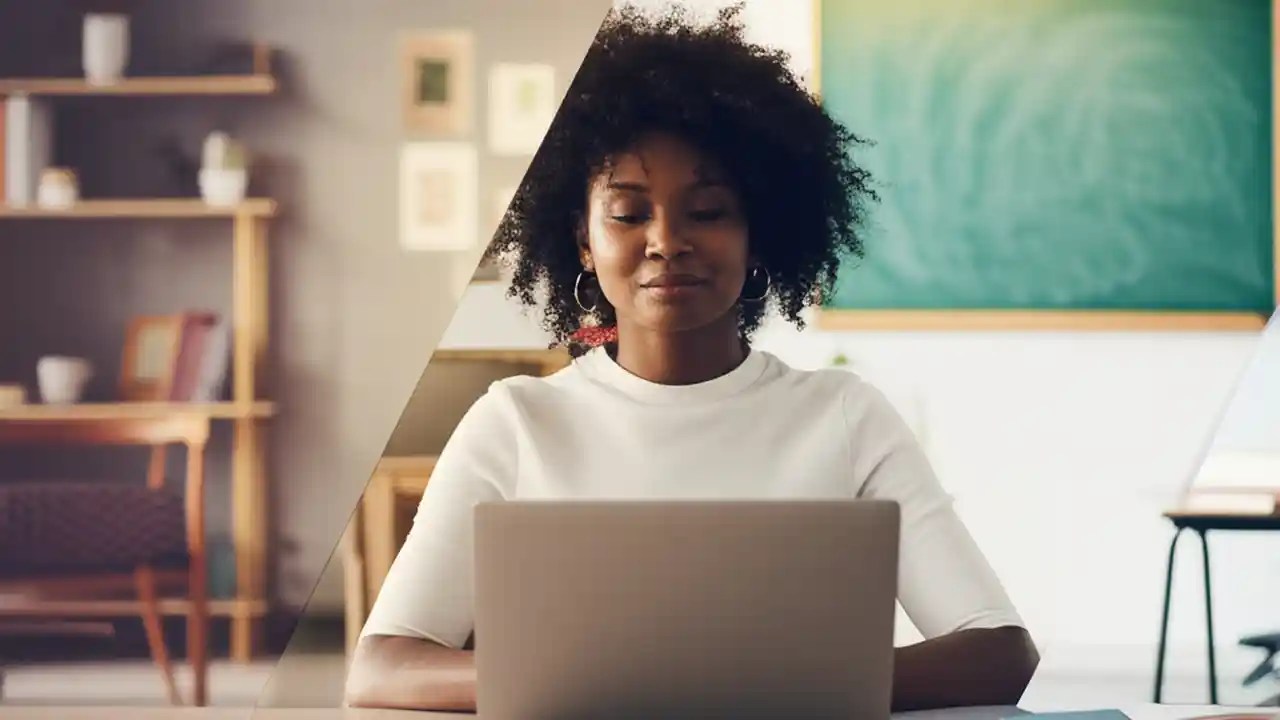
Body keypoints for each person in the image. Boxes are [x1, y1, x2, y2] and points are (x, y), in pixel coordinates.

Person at [345, 3, 1038, 712]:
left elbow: (1001, 649)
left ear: (757, 235)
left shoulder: (845, 416)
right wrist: (589, 683)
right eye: (628, 211)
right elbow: (381, 667)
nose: (666, 240)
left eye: (707, 211)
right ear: (583, 239)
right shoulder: (515, 423)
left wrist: (751, 686)